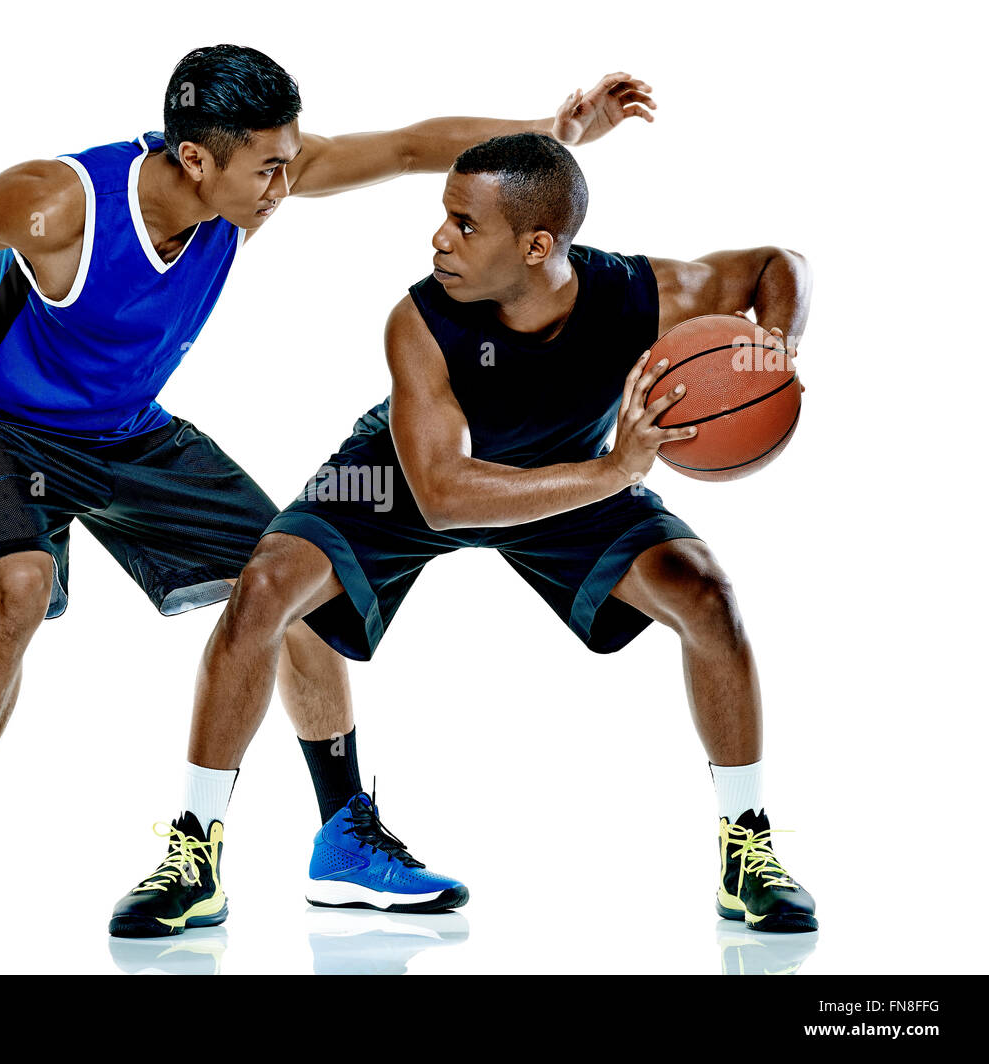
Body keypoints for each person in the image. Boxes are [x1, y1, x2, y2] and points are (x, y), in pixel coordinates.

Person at [0, 44, 656, 948]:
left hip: (128, 429)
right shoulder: (60, 207)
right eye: (268, 168)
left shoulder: (249, 186)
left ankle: (344, 836)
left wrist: (554, 127)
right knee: (11, 589)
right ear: (198, 158)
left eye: (291, 162)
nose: (284, 187)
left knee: (298, 573)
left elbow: (413, 147)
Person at [126, 131, 816, 936]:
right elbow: (446, 495)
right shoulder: (419, 322)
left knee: (705, 593)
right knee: (267, 588)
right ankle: (196, 854)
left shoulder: (638, 294)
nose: (438, 238)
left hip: (565, 477)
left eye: (464, 223)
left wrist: (771, 358)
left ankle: (747, 846)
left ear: (537, 246)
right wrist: (617, 471)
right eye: (443, 216)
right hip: (406, 477)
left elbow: (780, 268)